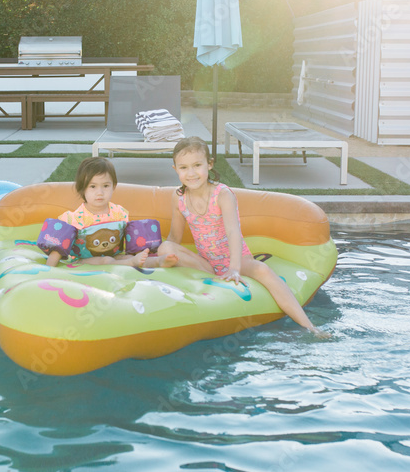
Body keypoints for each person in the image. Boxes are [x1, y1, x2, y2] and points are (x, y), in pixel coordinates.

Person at [156, 137, 329, 337]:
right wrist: (159, 257)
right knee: (165, 247)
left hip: (237, 259)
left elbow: (233, 232)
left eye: (197, 165)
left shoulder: (222, 194)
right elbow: (174, 237)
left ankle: (309, 326)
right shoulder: (179, 197)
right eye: (184, 168)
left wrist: (235, 269)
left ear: (209, 164)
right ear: (175, 169)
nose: (191, 173)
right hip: (207, 264)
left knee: (263, 270)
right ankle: (209, 278)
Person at [45, 157, 175, 268]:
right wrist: (49, 269)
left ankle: (158, 261)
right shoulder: (74, 218)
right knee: (106, 260)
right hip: (84, 261)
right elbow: (58, 247)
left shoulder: (119, 213)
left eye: (105, 186)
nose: (100, 192)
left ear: (114, 186)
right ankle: (130, 263)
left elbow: (130, 242)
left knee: (126, 256)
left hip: (114, 255)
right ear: (82, 189)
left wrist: (138, 252)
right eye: (93, 186)